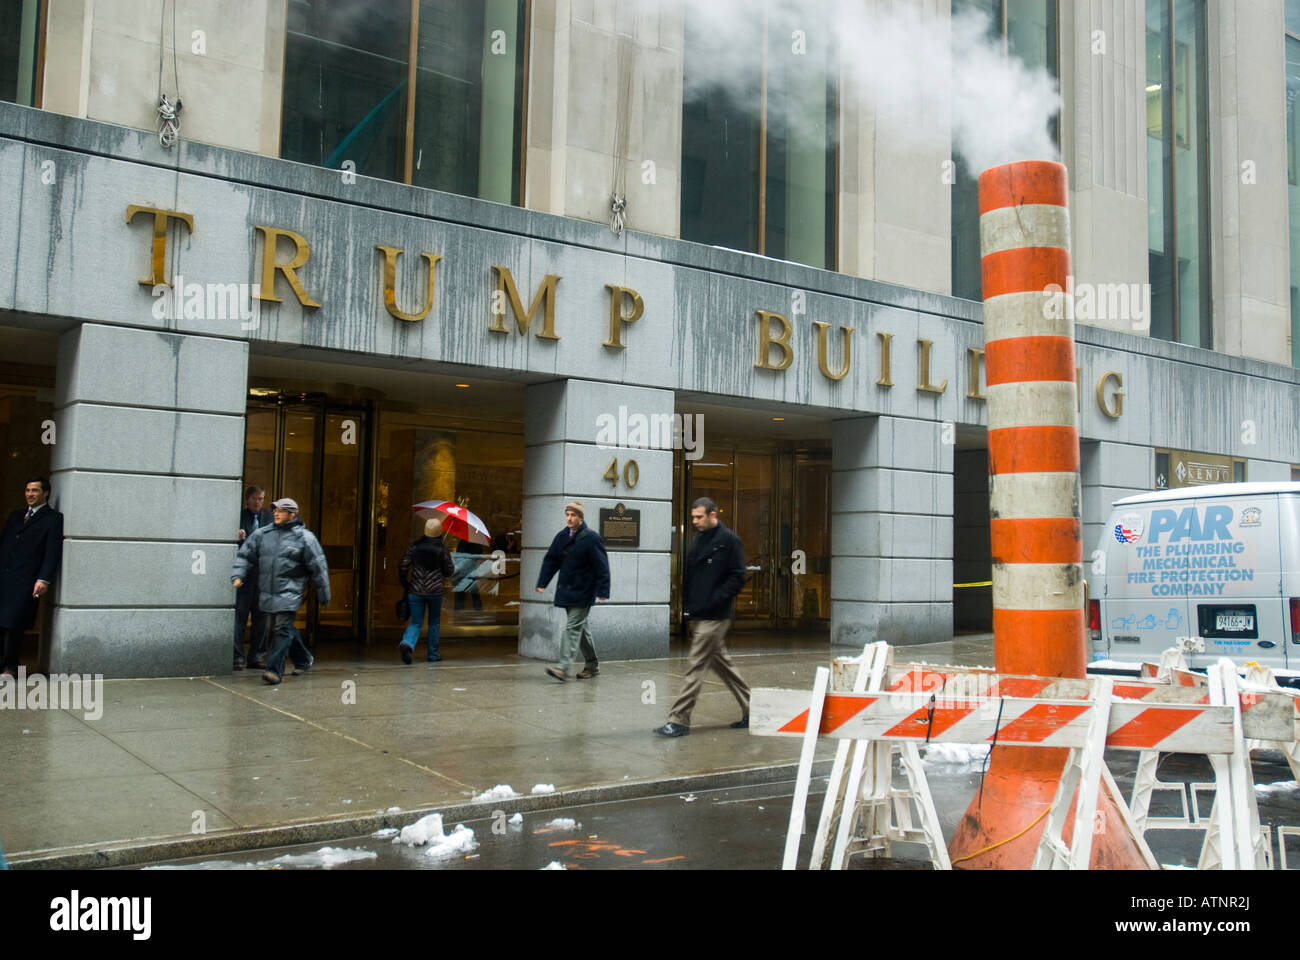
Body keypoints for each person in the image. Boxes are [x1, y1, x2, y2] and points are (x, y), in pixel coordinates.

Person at [654, 497, 749, 737]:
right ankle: (754, 709)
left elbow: (738, 576)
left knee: (696, 665)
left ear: (712, 515)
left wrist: (715, 599)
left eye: (699, 517)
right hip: (700, 614)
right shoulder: (699, 540)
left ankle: (679, 720)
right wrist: (687, 607)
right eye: (693, 517)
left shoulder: (729, 541)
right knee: (723, 666)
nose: (695, 521)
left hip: (715, 616)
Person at [231, 497, 330, 685]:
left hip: (290, 592)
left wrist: (323, 592)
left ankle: (274, 671)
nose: (276, 513)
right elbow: (245, 555)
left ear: (292, 515)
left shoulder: (304, 538)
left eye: (281, 511)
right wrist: (238, 575)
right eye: (275, 510)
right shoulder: (262, 534)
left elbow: (319, 566)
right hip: (267, 591)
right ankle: (303, 659)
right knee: (285, 628)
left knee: (282, 629)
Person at [536, 501, 610, 681]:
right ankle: (592, 665)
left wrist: (603, 591)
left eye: (573, 515)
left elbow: (602, 567)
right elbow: (551, 560)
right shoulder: (561, 536)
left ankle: (563, 667)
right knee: (581, 628)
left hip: (584, 592)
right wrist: (543, 582)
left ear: (580, 517)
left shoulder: (591, 538)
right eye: (567, 514)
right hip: (568, 591)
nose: (569, 518)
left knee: (572, 628)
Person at [0, 477, 63, 680]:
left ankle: (10, 666)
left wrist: (44, 579)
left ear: (45, 493)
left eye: (34, 490)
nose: (29, 494)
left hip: (26, 579)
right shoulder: (16, 516)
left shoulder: (53, 518)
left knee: (14, 623)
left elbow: (52, 551)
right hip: (5, 576)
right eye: (27, 490)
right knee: (2, 623)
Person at [398, 517, 455, 663]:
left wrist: (406, 583)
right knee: (434, 622)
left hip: (415, 590)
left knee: (416, 622)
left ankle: (407, 643)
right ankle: (433, 654)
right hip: (435, 592)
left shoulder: (414, 546)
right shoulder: (442, 549)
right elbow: (449, 571)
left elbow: (403, 566)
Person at [234, 485, 273, 670]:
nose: (258, 502)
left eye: (261, 499)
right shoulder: (239, 517)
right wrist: (239, 538)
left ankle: (256, 657)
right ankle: (237, 657)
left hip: (263, 576)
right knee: (240, 618)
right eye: (255, 499)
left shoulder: (269, 518)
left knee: (261, 620)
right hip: (245, 576)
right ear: (247, 500)